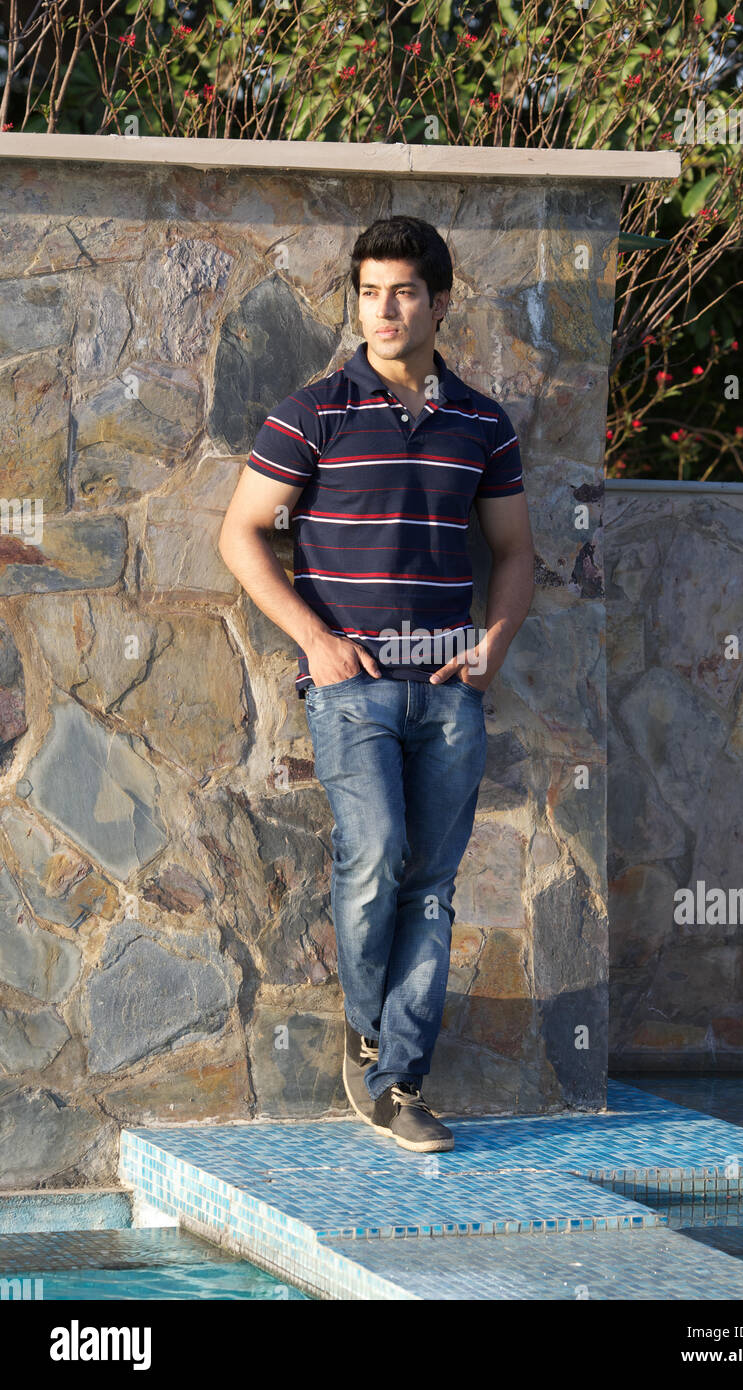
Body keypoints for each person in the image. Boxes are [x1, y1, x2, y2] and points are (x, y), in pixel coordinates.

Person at [218, 215, 534, 1151]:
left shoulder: (481, 421)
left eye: (403, 292)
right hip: (350, 685)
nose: (385, 310)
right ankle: (366, 1033)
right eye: (369, 292)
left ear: (439, 302)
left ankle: (397, 1080)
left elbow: (516, 552)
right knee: (376, 859)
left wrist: (495, 645)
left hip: (446, 689)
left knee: (430, 887)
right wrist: (314, 640)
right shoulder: (313, 411)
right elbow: (240, 534)